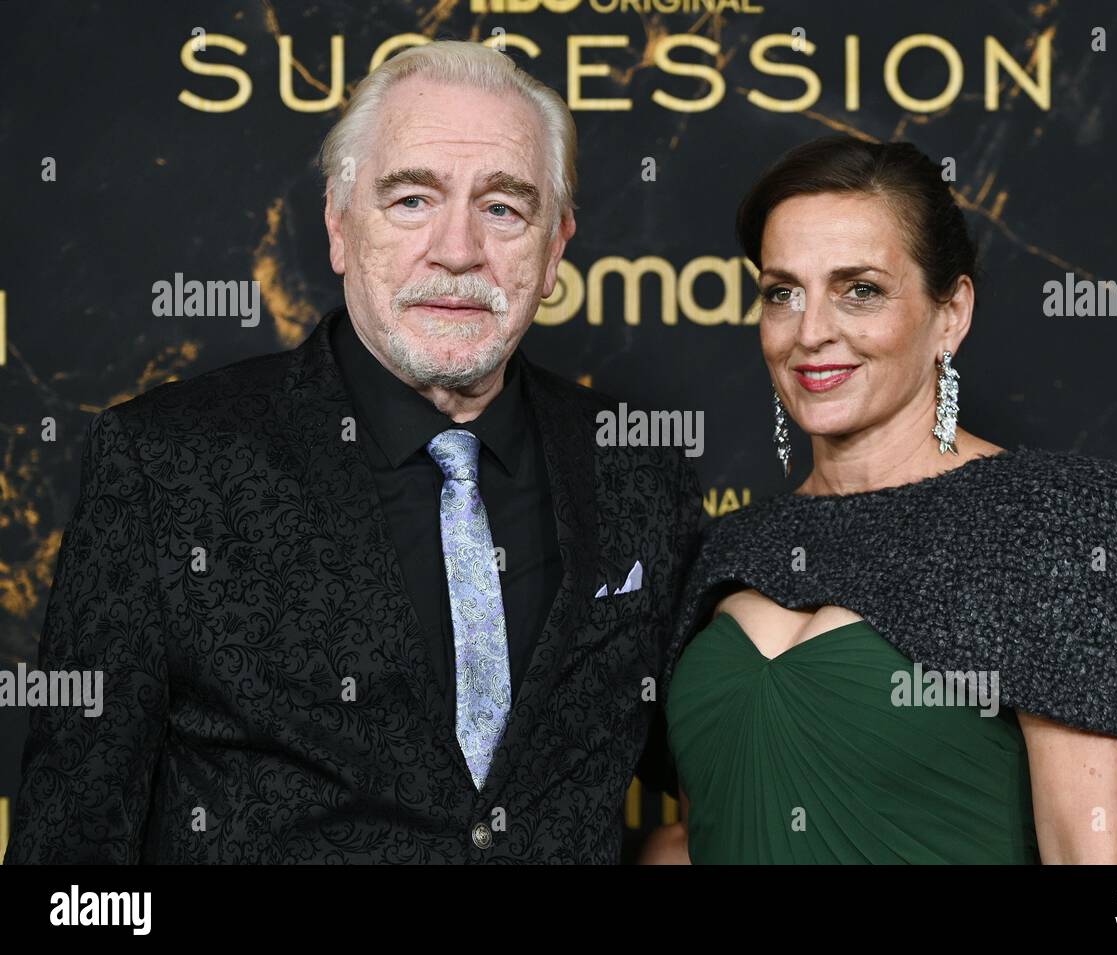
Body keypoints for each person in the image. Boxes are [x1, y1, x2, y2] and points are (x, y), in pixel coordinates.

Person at [8, 40, 700, 864]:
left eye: (504, 209)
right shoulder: (167, 462)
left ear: (555, 249)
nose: (457, 249)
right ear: (339, 227)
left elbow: (729, 768)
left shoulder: (637, 468)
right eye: (411, 200)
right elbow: (69, 857)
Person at [642, 135, 1117, 864]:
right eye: (783, 292)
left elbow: (1087, 853)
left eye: (861, 290)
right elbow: (696, 835)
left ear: (950, 313)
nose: (812, 331)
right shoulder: (730, 546)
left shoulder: (1050, 520)